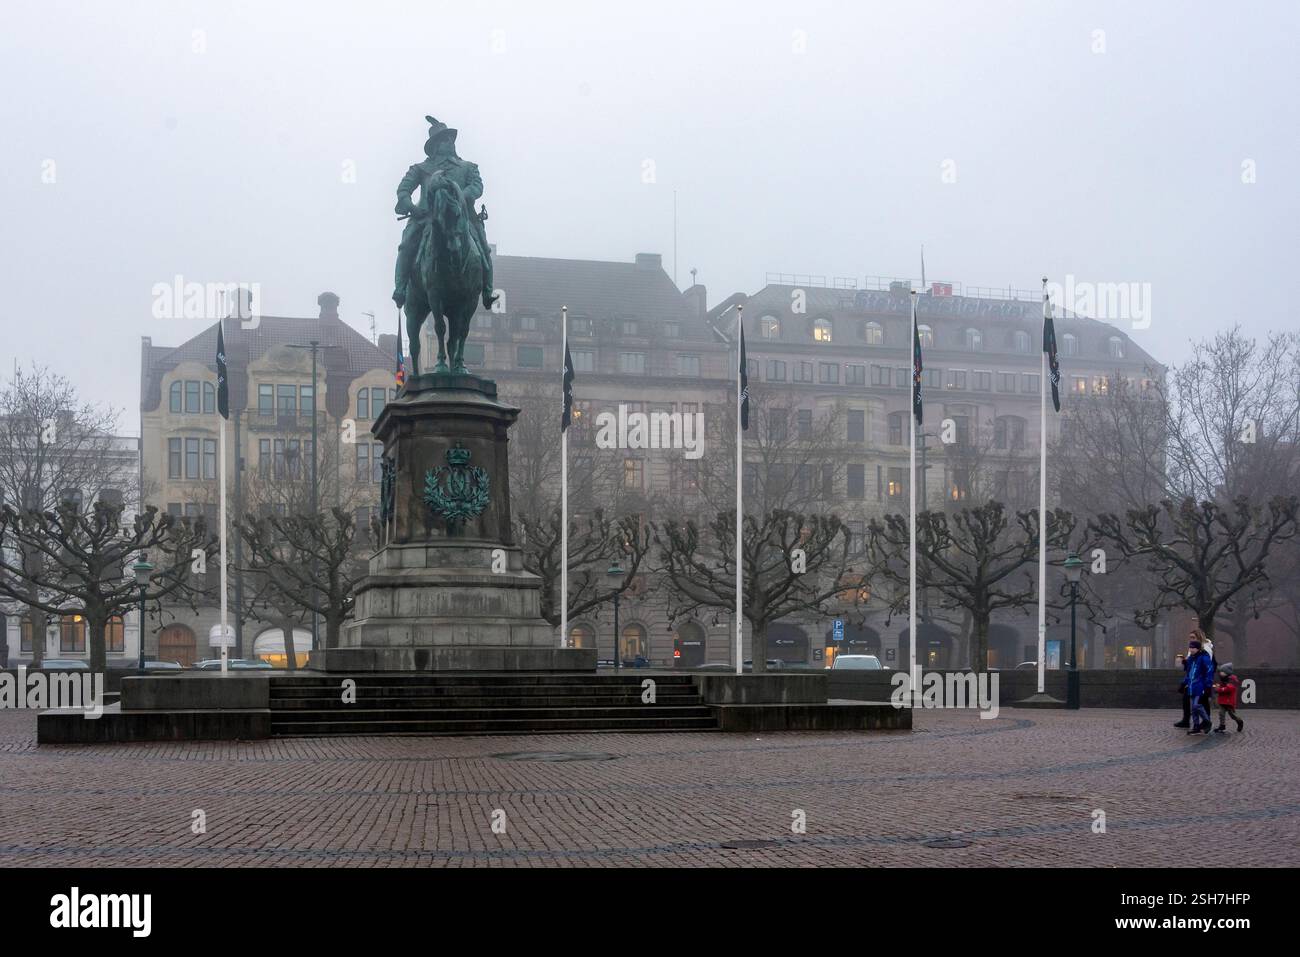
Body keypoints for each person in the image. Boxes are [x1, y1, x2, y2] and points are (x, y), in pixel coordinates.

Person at [1185, 637, 1214, 735]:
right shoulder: (1190, 659)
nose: (1191, 649)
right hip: (1192, 686)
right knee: (1193, 708)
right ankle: (1196, 726)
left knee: (1196, 705)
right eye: (1190, 648)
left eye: (1193, 648)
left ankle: (1207, 721)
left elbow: (1209, 671)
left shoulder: (1203, 658)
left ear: (1198, 648)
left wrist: (1208, 685)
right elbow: (1189, 673)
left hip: (1200, 685)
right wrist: (1184, 682)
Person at [1212, 664, 1245, 734]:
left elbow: (1230, 688)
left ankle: (1239, 721)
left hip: (1229, 701)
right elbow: (1220, 687)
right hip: (1222, 700)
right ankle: (1222, 725)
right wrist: (1217, 688)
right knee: (1221, 713)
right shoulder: (1222, 679)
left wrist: (1219, 689)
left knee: (1232, 715)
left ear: (1227, 672)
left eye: (1222, 672)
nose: (1220, 673)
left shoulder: (1232, 679)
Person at [1173, 652, 1191, 728]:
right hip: (1190, 684)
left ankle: (1205, 722)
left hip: (1194, 685)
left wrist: (1183, 684)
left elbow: (1190, 675)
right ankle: (1186, 720)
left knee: (1197, 706)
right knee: (1186, 703)